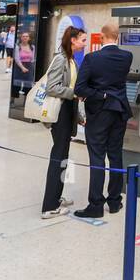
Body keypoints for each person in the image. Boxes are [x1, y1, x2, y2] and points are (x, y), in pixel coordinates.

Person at [72, 21, 132, 219]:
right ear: (118, 37)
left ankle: (96, 205)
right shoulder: (126, 56)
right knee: (116, 155)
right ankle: (115, 201)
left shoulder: (91, 59)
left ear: (101, 36)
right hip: (120, 111)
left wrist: (100, 95)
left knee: (97, 156)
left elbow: (80, 89)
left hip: (99, 113)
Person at [40, 26, 85, 218]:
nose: (85, 43)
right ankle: (50, 206)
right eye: (83, 40)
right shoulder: (61, 59)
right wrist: (74, 93)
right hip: (60, 115)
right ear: (73, 40)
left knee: (63, 157)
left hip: (68, 112)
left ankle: (56, 197)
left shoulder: (71, 60)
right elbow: (52, 88)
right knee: (58, 157)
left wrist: (79, 116)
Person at [11, 31, 35, 100]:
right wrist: (22, 67)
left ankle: (25, 101)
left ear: (29, 38)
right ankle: (13, 101)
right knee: (16, 84)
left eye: (27, 36)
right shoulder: (17, 47)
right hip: (18, 66)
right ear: (21, 38)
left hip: (29, 66)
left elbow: (32, 59)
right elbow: (17, 58)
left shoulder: (32, 47)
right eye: (23, 36)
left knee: (28, 85)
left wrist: (31, 68)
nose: (25, 38)